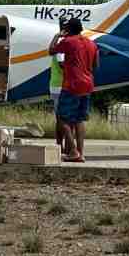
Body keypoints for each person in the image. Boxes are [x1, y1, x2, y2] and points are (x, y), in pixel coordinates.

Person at [53, 17, 98, 163]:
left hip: (72, 85)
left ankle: (72, 151)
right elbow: (96, 64)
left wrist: (57, 37)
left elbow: (51, 51)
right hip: (87, 85)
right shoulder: (92, 44)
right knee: (80, 119)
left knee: (62, 118)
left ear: (69, 29)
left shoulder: (68, 41)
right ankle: (81, 153)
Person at [47, 18, 68, 154]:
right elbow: (62, 64)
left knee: (61, 118)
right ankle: (61, 146)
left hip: (59, 85)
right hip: (60, 86)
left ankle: (62, 145)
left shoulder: (62, 42)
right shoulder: (62, 43)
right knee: (63, 118)